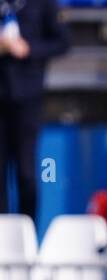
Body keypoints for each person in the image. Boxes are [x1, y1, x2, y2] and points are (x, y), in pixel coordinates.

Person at [0, 0, 69, 220]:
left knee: (27, 172)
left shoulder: (42, 3)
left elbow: (63, 42)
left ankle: (26, 231)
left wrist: (29, 48)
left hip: (28, 99)